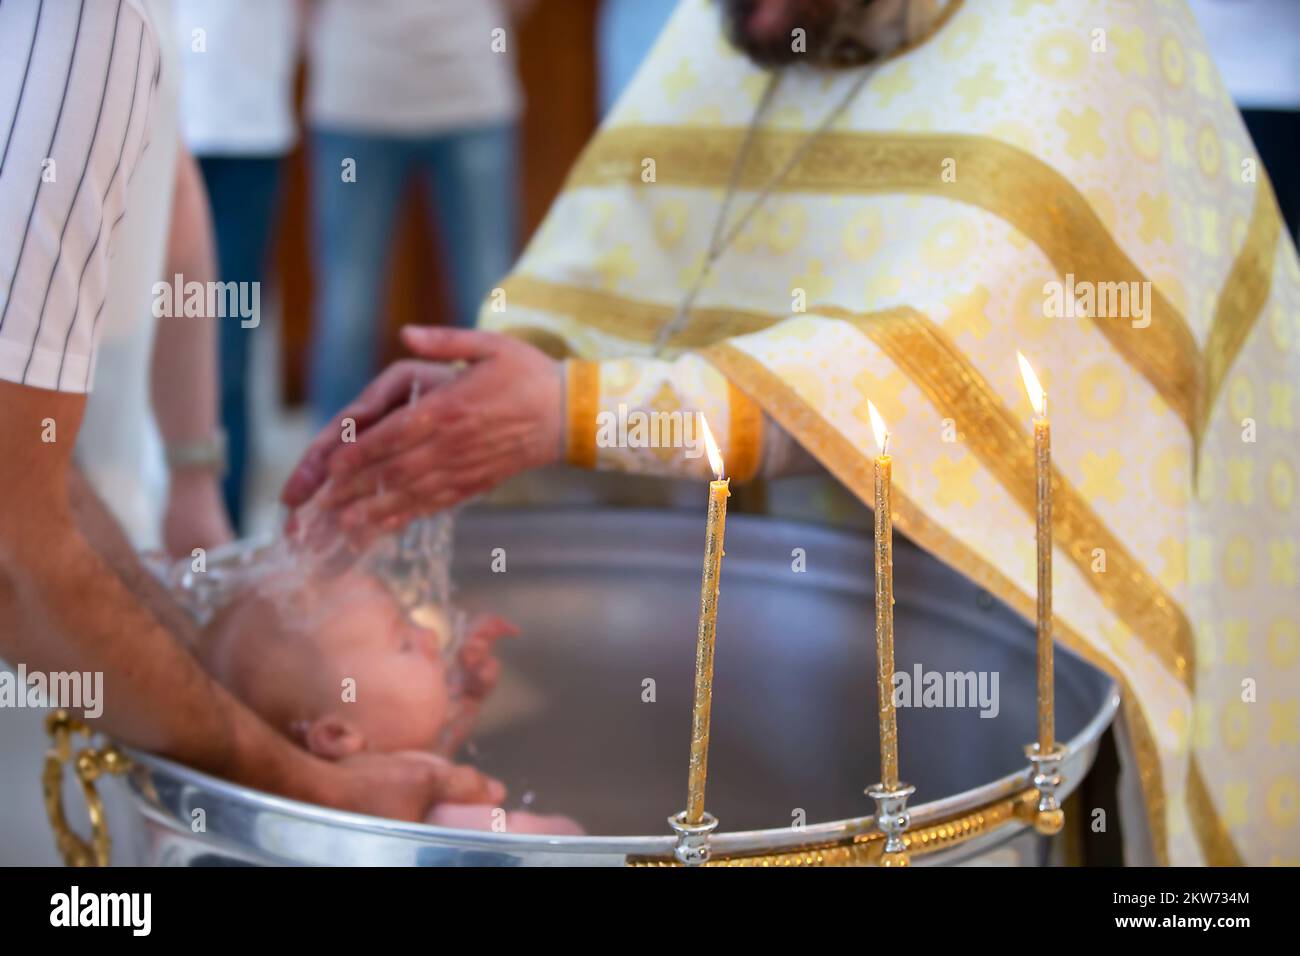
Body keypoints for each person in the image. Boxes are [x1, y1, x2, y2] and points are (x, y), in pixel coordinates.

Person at [285, 0, 1300, 866]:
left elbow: (959, 368)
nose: (751, 24)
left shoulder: (1077, 31)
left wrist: (574, 409)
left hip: (1073, 580)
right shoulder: (747, 24)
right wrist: (492, 386)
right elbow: (632, 261)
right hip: (850, 602)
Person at [0, 0, 492, 823]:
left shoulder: (118, 32)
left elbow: (175, 205)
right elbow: (16, 557)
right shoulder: (79, 29)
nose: (432, 639)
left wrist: (194, 484)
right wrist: (314, 792)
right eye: (410, 640)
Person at [302, 0, 525, 424]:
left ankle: (494, 456)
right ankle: (332, 470)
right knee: (349, 309)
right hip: (361, 100)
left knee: (487, 297)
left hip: (462, 94)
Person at [172, 0, 301, 530]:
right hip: (157, 123)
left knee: (230, 341)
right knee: (136, 339)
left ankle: (219, 537)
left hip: (250, 134)